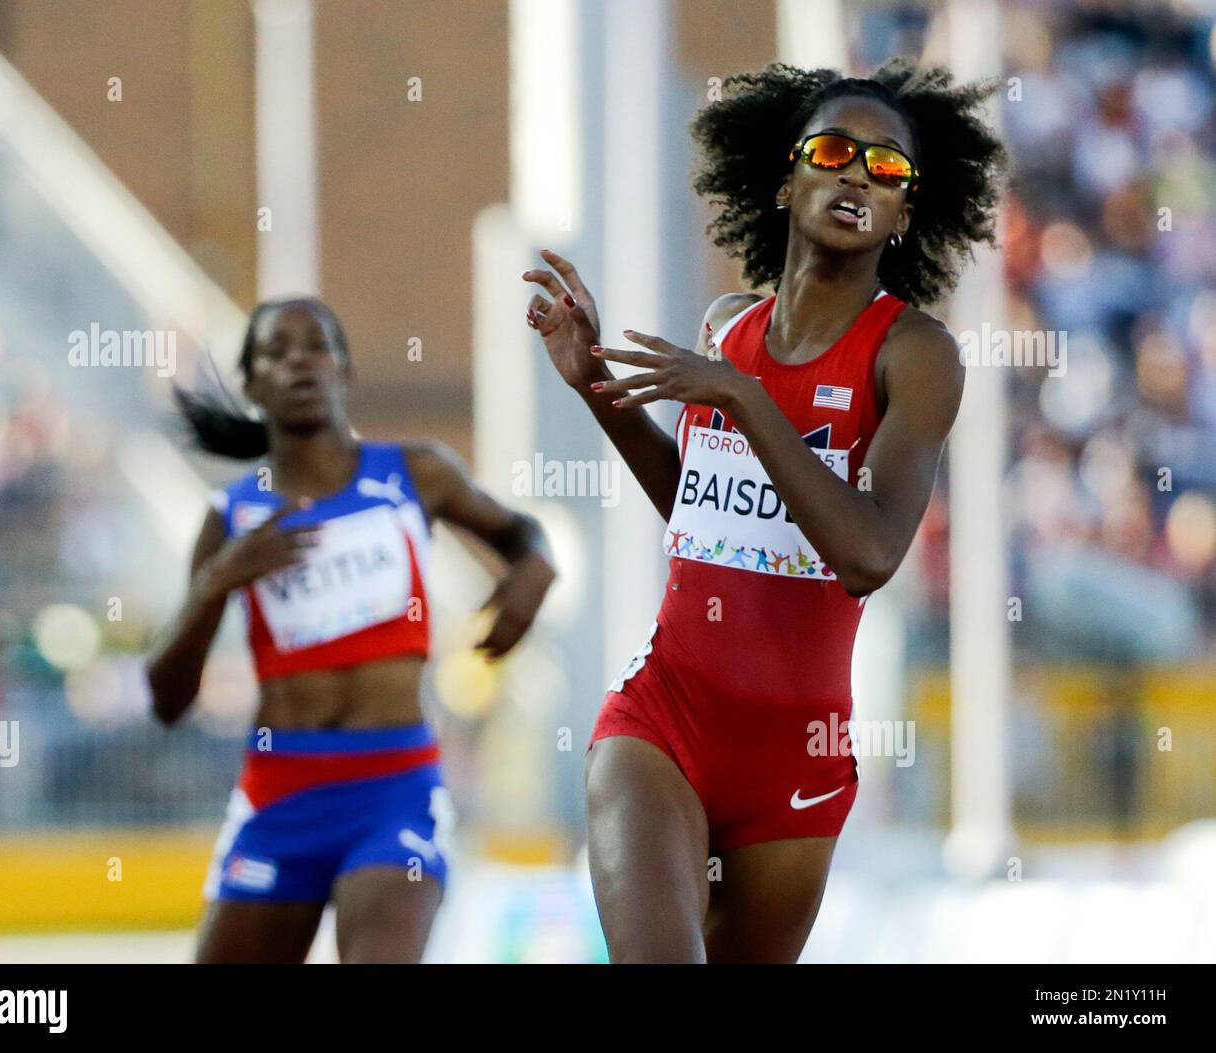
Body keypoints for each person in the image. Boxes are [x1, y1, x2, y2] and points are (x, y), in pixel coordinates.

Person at [523, 60, 1003, 963]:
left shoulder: (914, 354)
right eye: (834, 152)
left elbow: (868, 554)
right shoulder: (726, 329)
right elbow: (701, 515)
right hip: (665, 715)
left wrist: (745, 399)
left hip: (798, 757)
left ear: (906, 213)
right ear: (787, 180)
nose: (858, 173)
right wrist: (593, 382)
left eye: (888, 168)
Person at [146, 296, 555, 963]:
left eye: (317, 345)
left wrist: (534, 574)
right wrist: (218, 581)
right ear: (251, 385)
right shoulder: (231, 517)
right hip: (280, 796)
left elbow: (521, 533)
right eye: (277, 351)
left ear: (345, 368)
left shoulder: (417, 473)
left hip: (394, 790)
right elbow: (167, 700)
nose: (299, 360)